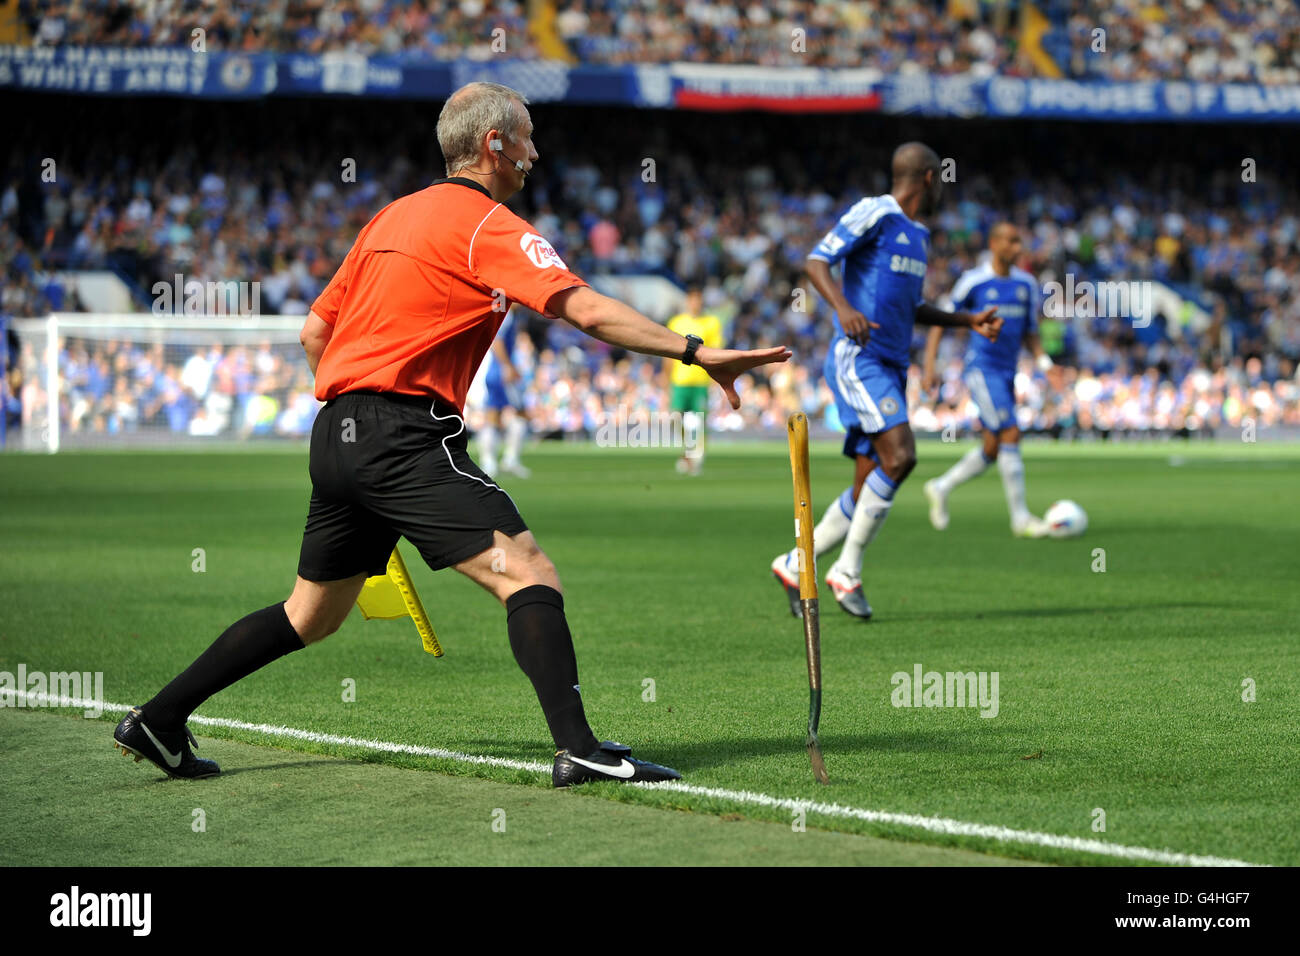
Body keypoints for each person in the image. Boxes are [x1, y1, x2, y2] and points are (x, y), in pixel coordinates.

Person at [114, 81, 790, 787]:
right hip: (403, 433)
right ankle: (581, 749)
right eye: (527, 137)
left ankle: (160, 719)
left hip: (337, 431)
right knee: (527, 573)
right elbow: (584, 310)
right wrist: (696, 352)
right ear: (495, 144)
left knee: (309, 614)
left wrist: (359, 433)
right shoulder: (487, 224)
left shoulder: (388, 218)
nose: (535, 153)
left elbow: (315, 331)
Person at [770, 142, 1001, 621]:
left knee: (866, 485)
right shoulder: (876, 212)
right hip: (861, 358)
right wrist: (843, 308)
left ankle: (794, 565)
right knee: (901, 456)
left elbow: (912, 308)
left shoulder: (918, 235)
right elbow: (817, 260)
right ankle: (846, 571)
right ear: (931, 178)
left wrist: (967, 320)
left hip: (892, 367)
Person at [921, 223, 1052, 536]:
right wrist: (929, 366)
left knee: (992, 447)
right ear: (994, 244)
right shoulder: (973, 281)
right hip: (982, 368)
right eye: (1011, 241)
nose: (1017, 247)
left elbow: (1030, 330)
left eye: (1019, 241)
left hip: (1008, 370)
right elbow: (941, 320)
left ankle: (941, 486)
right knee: (1010, 432)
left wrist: (1045, 362)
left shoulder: (1026, 284)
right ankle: (1020, 519)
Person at [662, 285, 724, 474]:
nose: (695, 303)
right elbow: (667, 351)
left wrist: (715, 379)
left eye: (698, 300)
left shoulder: (711, 323)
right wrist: (665, 378)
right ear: (688, 301)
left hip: (700, 381)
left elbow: (716, 352)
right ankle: (688, 451)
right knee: (675, 417)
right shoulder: (676, 323)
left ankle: (697, 456)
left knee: (700, 420)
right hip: (679, 380)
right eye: (692, 299)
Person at [478, 307, 530, 477]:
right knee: (517, 413)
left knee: (494, 414)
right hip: (500, 372)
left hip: (495, 370)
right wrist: (508, 366)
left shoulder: (510, 315)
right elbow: (497, 341)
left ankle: (492, 461)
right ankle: (504, 460)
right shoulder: (505, 315)